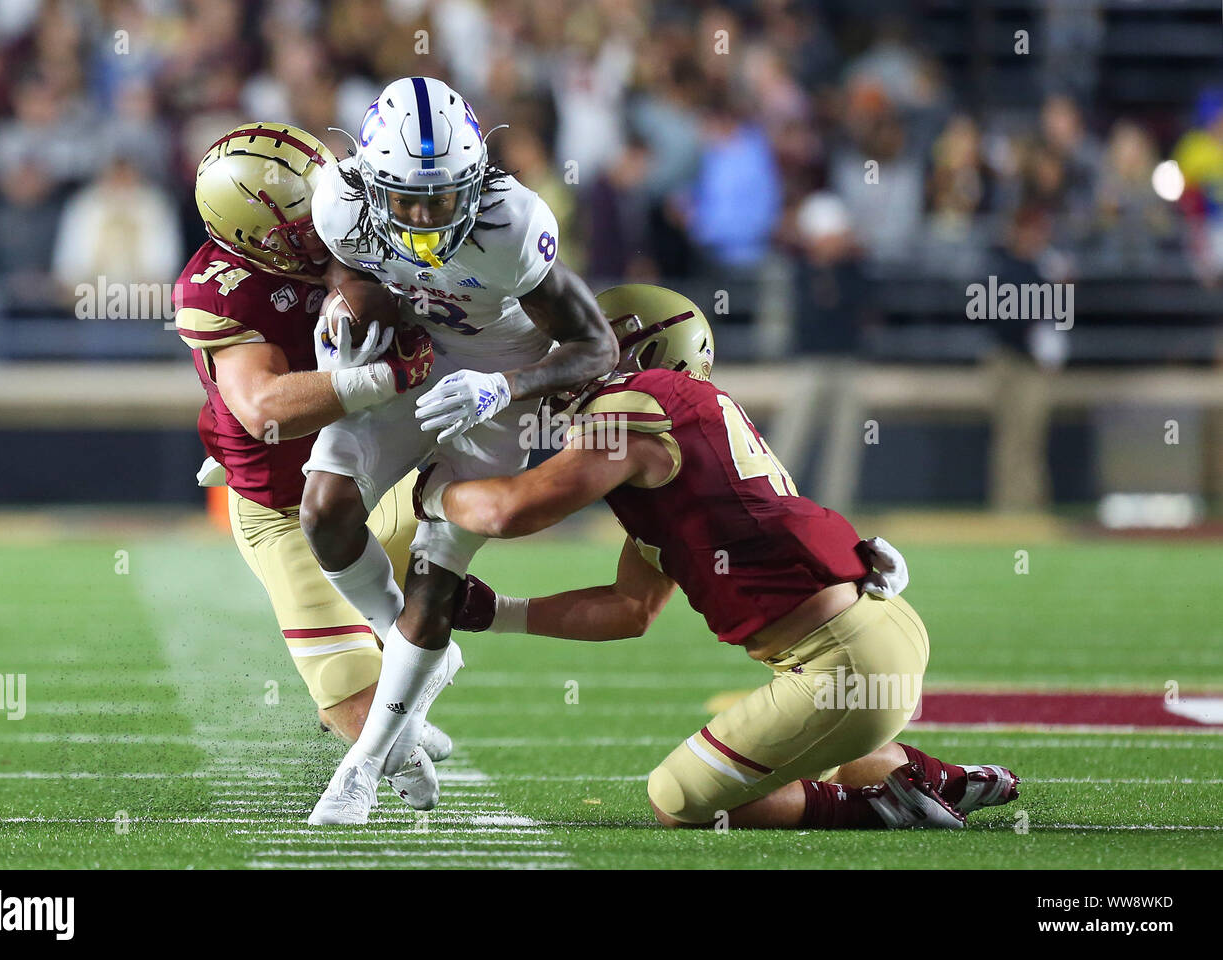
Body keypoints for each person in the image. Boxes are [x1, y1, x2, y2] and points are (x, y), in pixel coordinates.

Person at [415, 283, 1020, 830]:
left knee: (679, 799)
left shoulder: (643, 401)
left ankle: (883, 806)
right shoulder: (678, 442)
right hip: (866, 640)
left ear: (633, 347)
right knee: (798, 749)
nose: (566, 359)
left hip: (843, 657)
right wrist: (493, 611)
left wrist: (431, 492)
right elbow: (629, 609)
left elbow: (512, 510)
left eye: (585, 341)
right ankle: (934, 778)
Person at [301, 77, 619, 825]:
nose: (420, 217)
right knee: (325, 508)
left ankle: (362, 769)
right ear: (369, 183)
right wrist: (338, 313)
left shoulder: (512, 226)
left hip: (498, 382)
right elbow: (347, 268)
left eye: (441, 199)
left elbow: (595, 343)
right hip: (414, 363)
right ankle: (411, 650)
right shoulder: (339, 201)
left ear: (475, 181)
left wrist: (504, 388)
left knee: (436, 572)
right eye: (405, 199)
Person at [172, 122, 453, 807]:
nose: (329, 222)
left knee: (466, 525)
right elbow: (264, 408)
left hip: (372, 474)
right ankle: (379, 716)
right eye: (304, 223)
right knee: (363, 722)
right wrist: (385, 375)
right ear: (260, 242)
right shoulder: (217, 289)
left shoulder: (356, 210)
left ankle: (402, 676)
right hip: (285, 511)